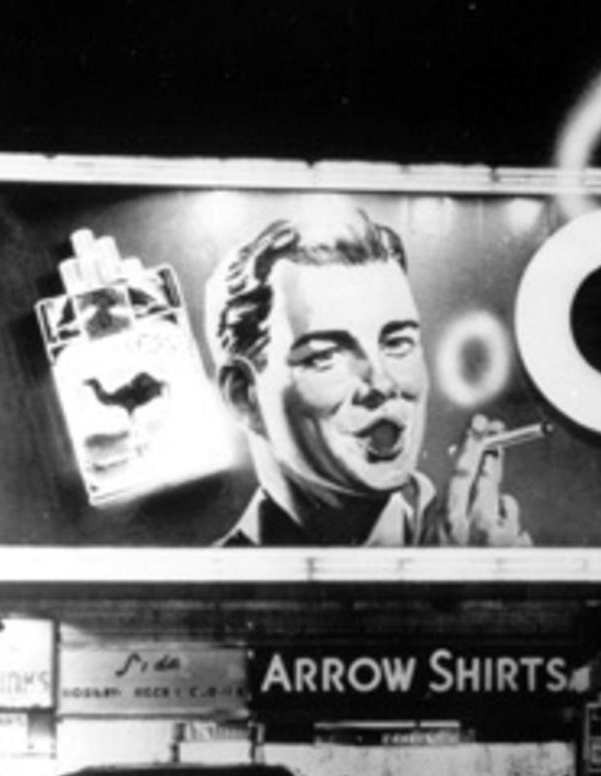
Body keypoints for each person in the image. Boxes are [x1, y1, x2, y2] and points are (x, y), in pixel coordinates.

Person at [204, 206, 531, 546]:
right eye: (324, 356)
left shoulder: (487, 540)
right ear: (242, 396)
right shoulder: (200, 586)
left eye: (397, 343)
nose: (383, 384)